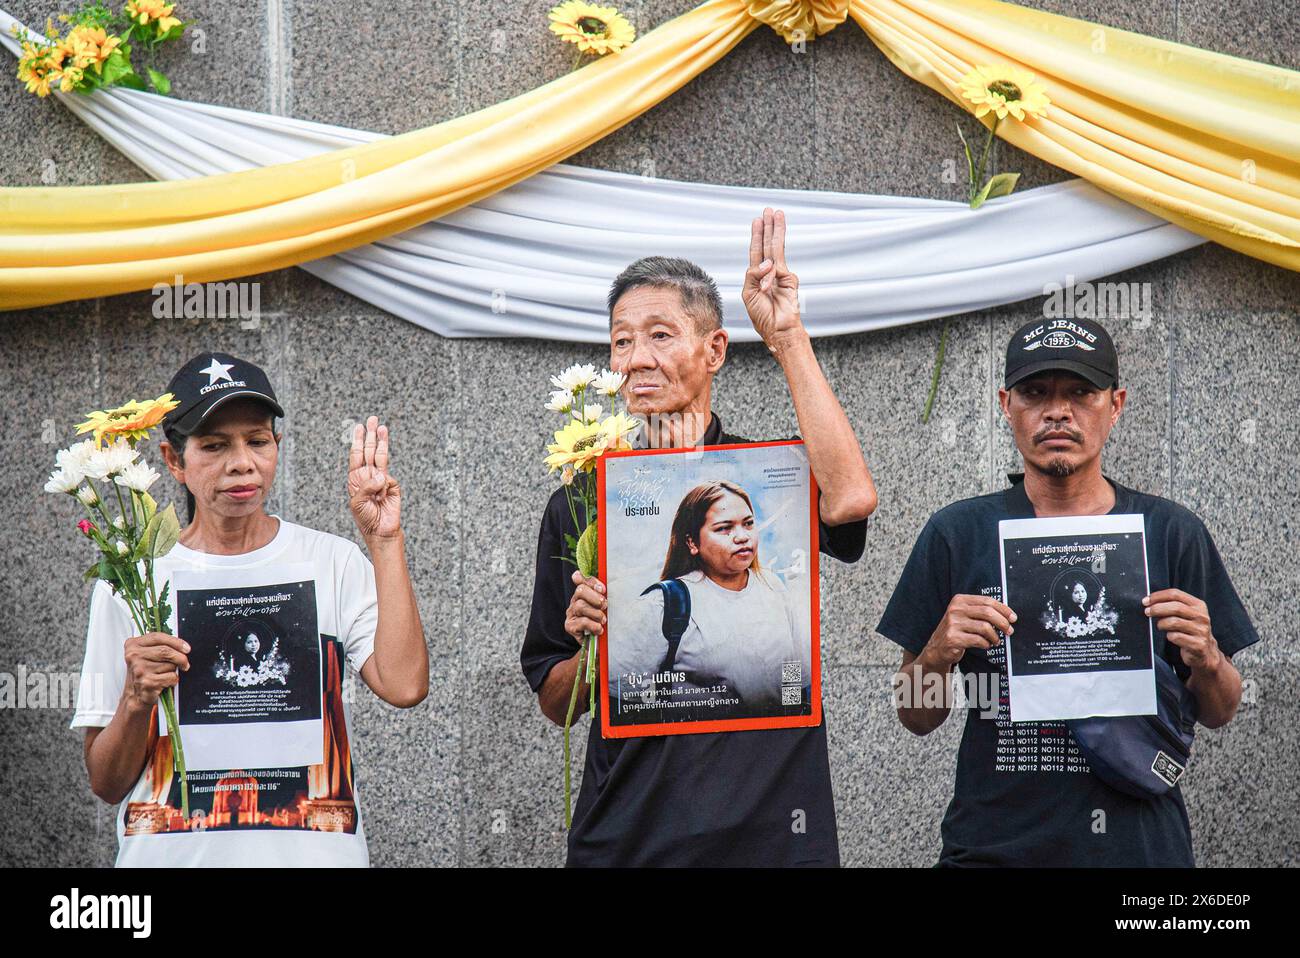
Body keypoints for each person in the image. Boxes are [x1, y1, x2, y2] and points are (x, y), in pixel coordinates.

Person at [522, 208, 878, 866]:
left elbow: (853, 498)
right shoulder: (580, 499)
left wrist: (787, 337)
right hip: (629, 833)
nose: (637, 361)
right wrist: (592, 649)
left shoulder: (767, 477)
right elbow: (556, 701)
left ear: (713, 350)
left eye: (660, 335)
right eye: (621, 342)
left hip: (772, 831)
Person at [878, 317, 1258, 866]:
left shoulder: (1172, 532)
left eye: (1081, 392)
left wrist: (1207, 658)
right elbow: (915, 715)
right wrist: (937, 653)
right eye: (1036, 393)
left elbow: (1220, 711)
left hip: (1138, 847)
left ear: (1117, 404)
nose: (1058, 411)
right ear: (1005, 405)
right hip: (994, 845)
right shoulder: (957, 533)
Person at [71, 352, 429, 867]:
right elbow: (106, 782)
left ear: (276, 446)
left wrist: (385, 539)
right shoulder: (134, 579)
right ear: (174, 460)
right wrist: (136, 697)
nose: (241, 463)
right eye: (214, 446)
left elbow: (405, 685)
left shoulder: (329, 560)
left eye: (257, 441)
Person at [608, 479, 811, 718]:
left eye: (748, 524)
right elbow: (624, 699)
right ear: (692, 542)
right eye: (724, 528)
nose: (742, 537)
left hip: (774, 750)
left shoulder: (773, 587)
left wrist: (789, 723)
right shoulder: (666, 603)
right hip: (699, 752)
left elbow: (794, 677)